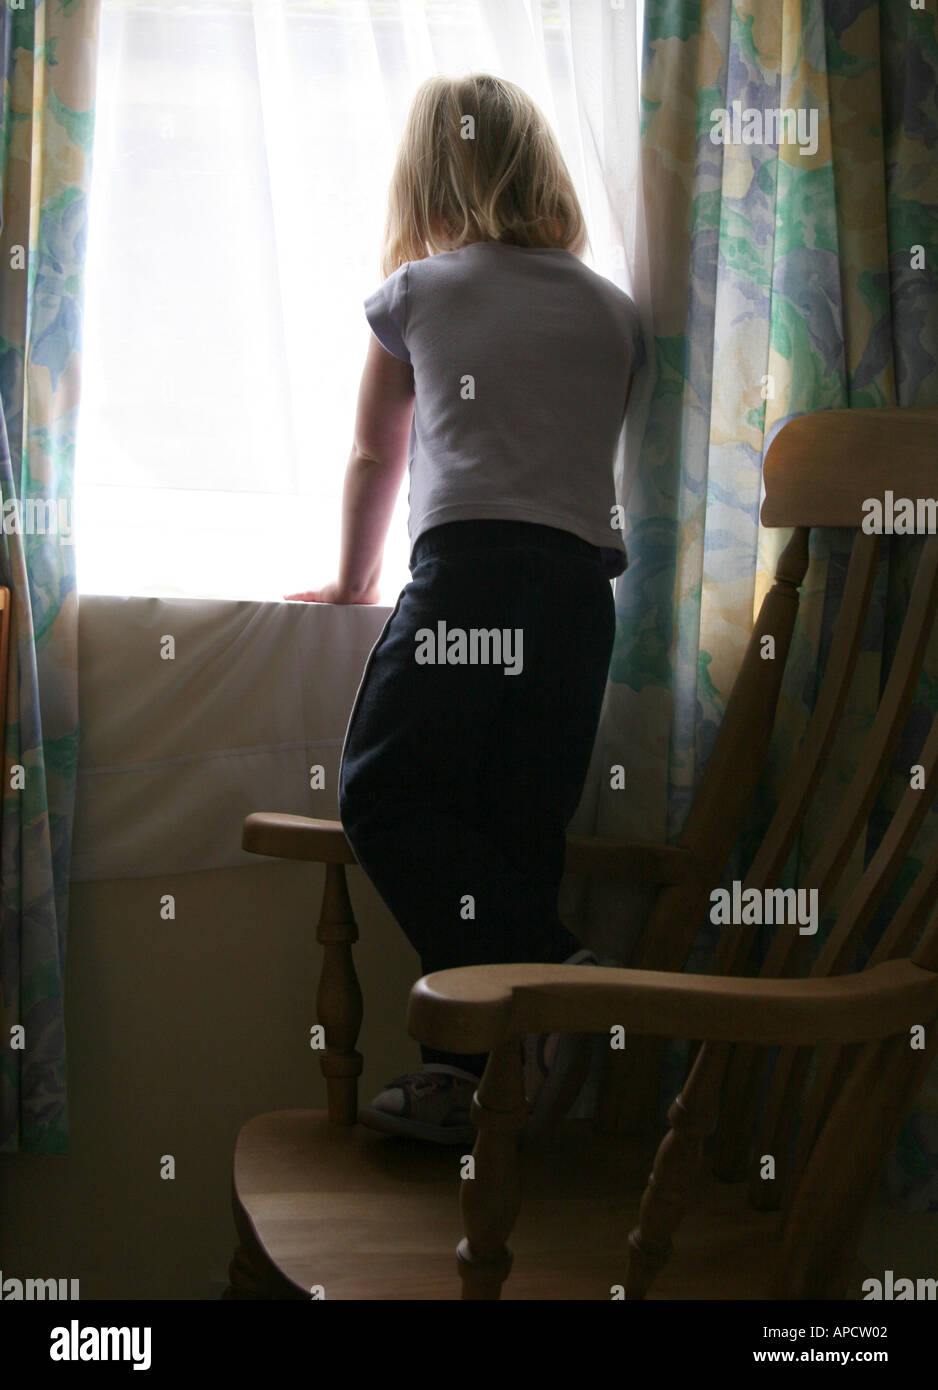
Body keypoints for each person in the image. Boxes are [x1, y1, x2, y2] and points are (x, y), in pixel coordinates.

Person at [288, 73, 643, 1145]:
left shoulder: (420, 291)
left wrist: (353, 582)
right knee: (510, 831)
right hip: (580, 599)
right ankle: (463, 1074)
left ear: (428, 180)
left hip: (472, 577)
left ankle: (550, 972)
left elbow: (371, 454)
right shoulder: (612, 311)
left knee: (386, 796)